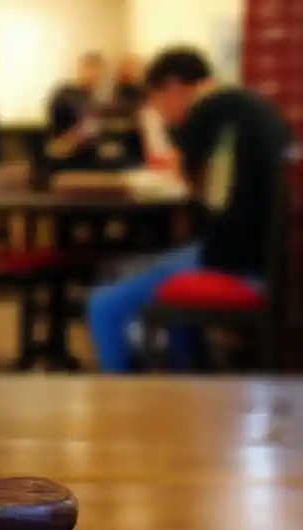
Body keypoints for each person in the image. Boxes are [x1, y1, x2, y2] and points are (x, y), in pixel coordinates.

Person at [86, 47, 294, 372]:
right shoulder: (250, 106)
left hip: (235, 265)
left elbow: (198, 193)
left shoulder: (207, 112)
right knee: (136, 270)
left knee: (103, 304)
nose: (156, 110)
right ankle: (184, 381)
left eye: (155, 99)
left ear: (173, 87)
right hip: (275, 265)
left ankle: (121, 409)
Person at [46, 52, 106, 169]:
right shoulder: (67, 94)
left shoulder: (95, 101)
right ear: (81, 70)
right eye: (90, 69)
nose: (94, 75)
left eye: (98, 71)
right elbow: (57, 141)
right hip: (66, 158)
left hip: (89, 157)